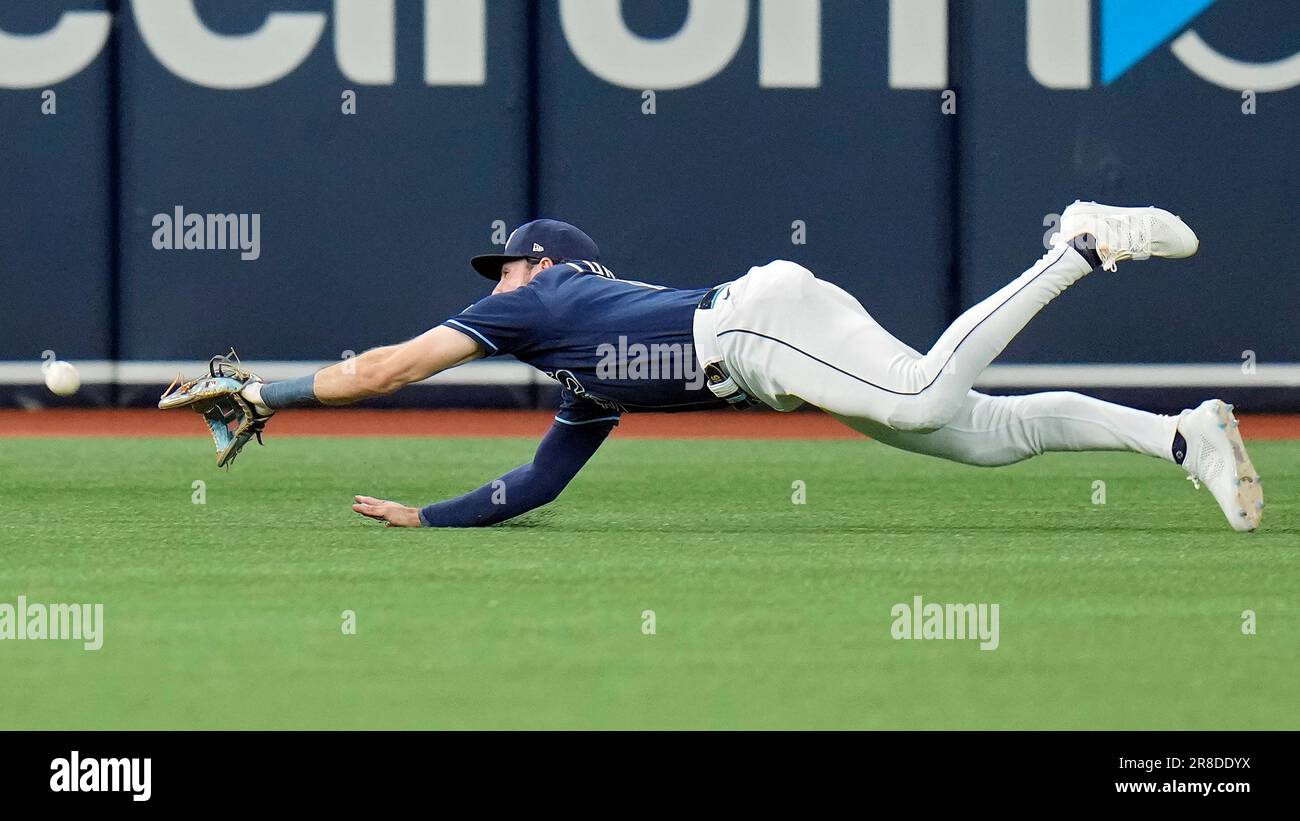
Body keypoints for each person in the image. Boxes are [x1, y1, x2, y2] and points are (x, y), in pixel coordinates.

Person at [165, 203, 1262, 532]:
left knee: (930, 393)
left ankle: (1076, 242)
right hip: (768, 343)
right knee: (976, 433)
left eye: (505, 264)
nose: (495, 279)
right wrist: (431, 516)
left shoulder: (545, 297)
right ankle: (1182, 433)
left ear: (548, 264)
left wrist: (269, 389)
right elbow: (538, 483)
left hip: (753, 327)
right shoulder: (582, 375)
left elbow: (389, 370)